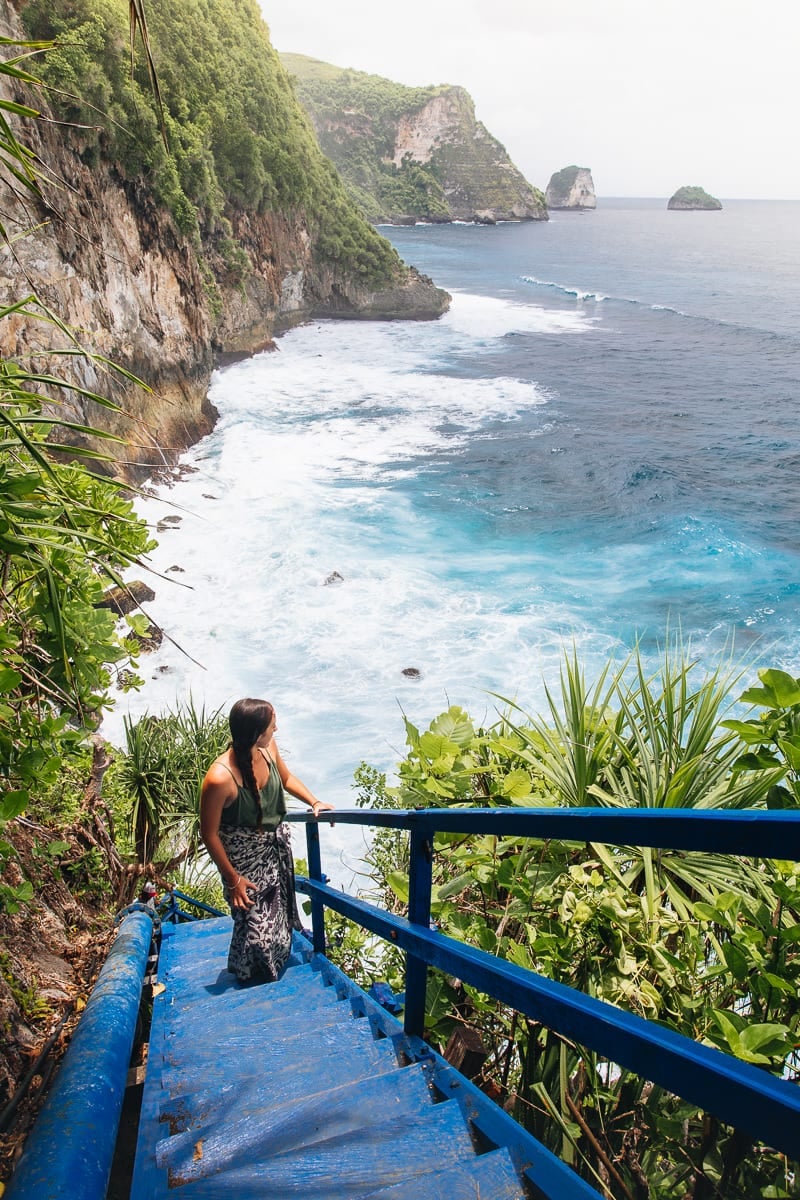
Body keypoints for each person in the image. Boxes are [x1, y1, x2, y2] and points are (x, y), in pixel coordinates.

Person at [199, 698, 334, 983]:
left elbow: (285, 779)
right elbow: (208, 834)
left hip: (272, 845)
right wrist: (232, 879)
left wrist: (315, 801)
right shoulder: (219, 778)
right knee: (252, 922)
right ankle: (250, 974)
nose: (277, 729)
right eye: (273, 725)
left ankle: (273, 965)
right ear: (257, 733)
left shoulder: (267, 749)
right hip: (242, 857)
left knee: (276, 909)